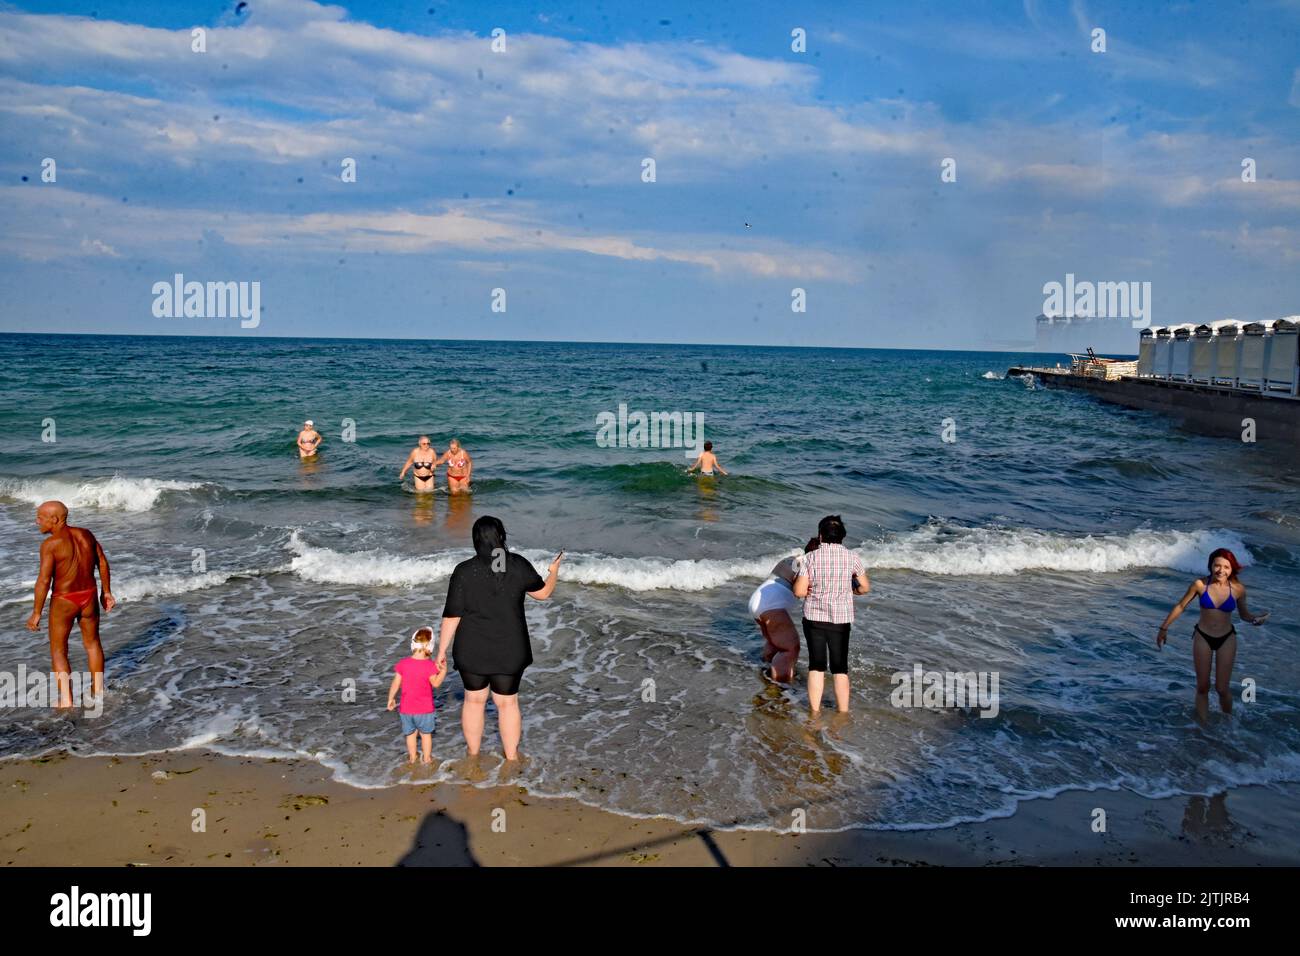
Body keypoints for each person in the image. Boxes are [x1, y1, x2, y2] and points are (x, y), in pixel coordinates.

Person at [436, 516, 563, 760]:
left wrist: (441, 652)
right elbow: (544, 593)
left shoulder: (464, 570)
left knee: (474, 701)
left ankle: (472, 755)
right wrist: (553, 571)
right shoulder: (517, 565)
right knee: (507, 704)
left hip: (471, 648)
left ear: (475, 541)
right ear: (501, 537)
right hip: (510, 648)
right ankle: (511, 758)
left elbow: (452, 615)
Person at [1157, 548, 1268, 719]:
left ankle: (1229, 724)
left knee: (1222, 689)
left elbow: (1245, 615)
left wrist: (1255, 620)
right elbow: (1181, 606)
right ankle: (1203, 728)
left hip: (1227, 638)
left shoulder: (1238, 589)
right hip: (1203, 637)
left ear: (1232, 569)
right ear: (1211, 566)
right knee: (1202, 687)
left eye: (1226, 567)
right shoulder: (1200, 585)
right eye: (1217, 565)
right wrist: (1163, 628)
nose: (1221, 570)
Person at [25, 500, 114, 707]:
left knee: (58, 650)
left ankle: (66, 700)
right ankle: (98, 691)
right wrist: (106, 592)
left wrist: (36, 612)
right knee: (92, 644)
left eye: (40, 517)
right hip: (89, 596)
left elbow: (44, 581)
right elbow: (102, 561)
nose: (36, 521)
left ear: (54, 519)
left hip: (64, 600)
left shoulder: (50, 544)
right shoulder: (86, 534)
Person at [792, 515, 869, 714]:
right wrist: (853, 590)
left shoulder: (810, 558)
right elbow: (864, 587)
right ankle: (843, 712)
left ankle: (815, 712)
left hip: (814, 618)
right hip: (841, 619)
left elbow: (800, 592)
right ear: (842, 536)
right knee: (840, 668)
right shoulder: (852, 557)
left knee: (816, 666)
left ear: (820, 535)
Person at [748, 538, 819, 684]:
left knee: (775, 643)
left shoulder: (791, 560)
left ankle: (767, 669)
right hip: (771, 605)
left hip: (759, 600)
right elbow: (807, 589)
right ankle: (780, 686)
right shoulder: (808, 564)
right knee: (790, 648)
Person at [387, 627, 447, 764]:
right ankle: (426, 759)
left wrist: (391, 698)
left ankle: (412, 758)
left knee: (410, 735)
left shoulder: (403, 664)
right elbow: (436, 683)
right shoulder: (429, 666)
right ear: (430, 647)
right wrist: (443, 671)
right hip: (424, 710)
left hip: (406, 709)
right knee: (426, 736)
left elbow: (396, 683)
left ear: (413, 644)